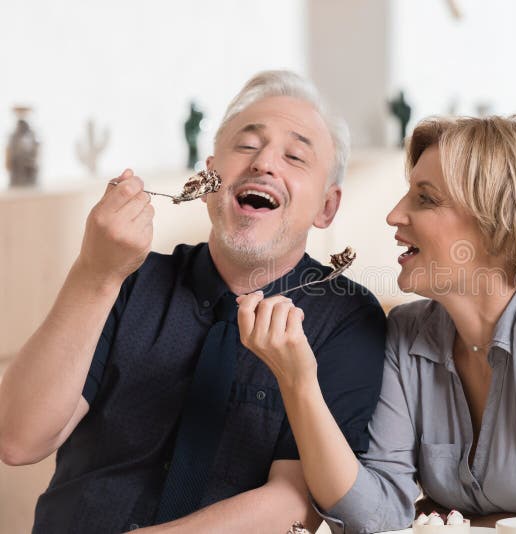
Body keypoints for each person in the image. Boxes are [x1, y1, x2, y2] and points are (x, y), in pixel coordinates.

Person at [0, 71, 386, 533]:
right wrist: (94, 274)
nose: (264, 162)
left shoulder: (345, 317)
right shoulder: (126, 279)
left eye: (295, 155)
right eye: (247, 145)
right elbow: (18, 440)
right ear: (206, 179)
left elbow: (296, 498)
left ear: (328, 207)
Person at [239, 114, 516, 534]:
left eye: (425, 198)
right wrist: (299, 384)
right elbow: (378, 518)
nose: (395, 215)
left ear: (497, 222)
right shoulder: (406, 333)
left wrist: (470, 525)